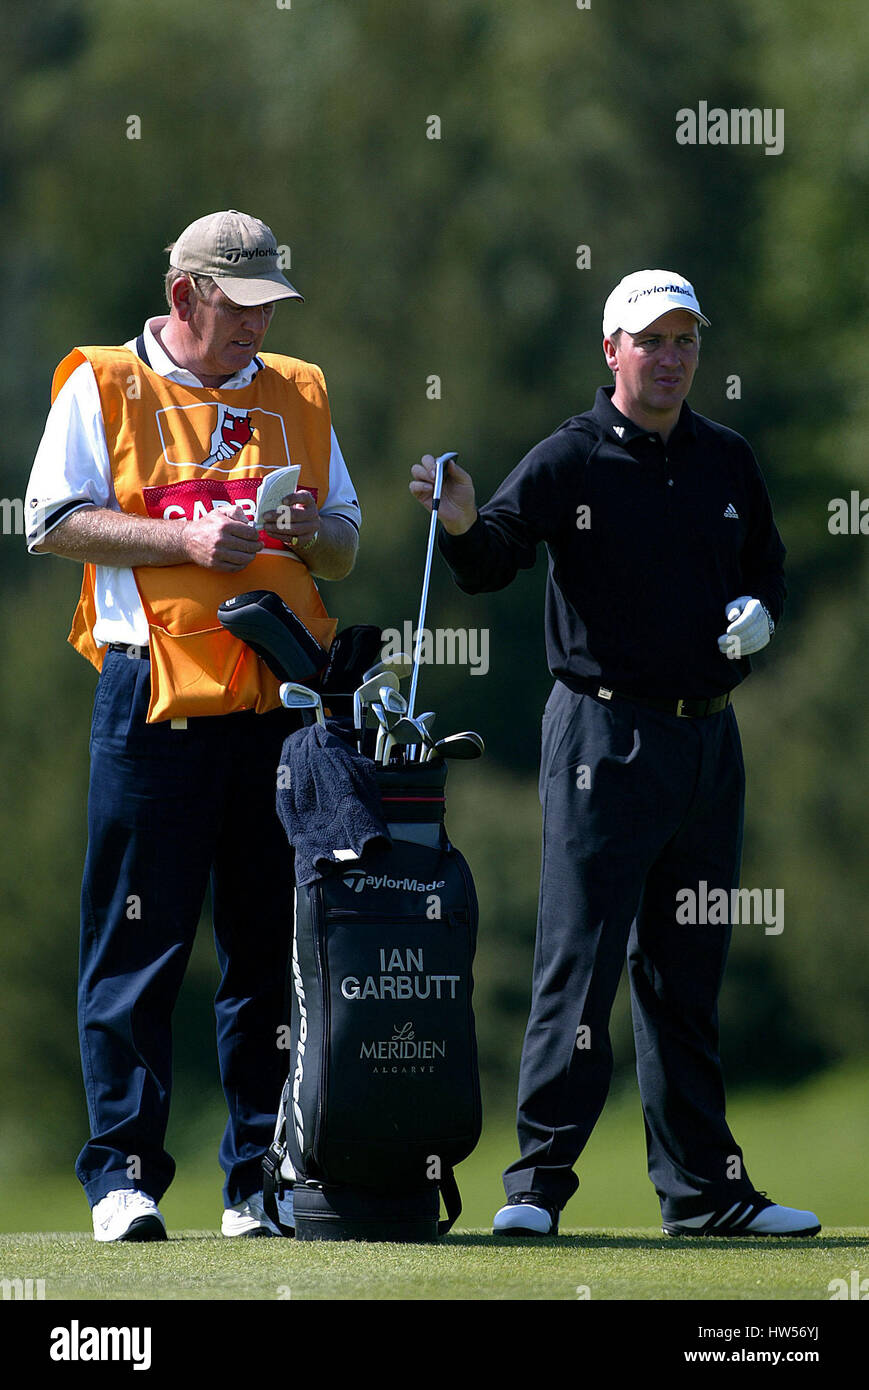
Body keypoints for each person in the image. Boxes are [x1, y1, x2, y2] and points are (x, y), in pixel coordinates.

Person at [410, 269, 820, 1238]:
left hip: (706, 740)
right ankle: (534, 1191)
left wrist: (763, 613)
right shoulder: (572, 457)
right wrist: (463, 523)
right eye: (652, 340)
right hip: (601, 735)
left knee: (685, 974)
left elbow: (767, 568)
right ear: (612, 351)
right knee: (578, 964)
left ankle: (705, 1196)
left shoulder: (725, 458)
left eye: (684, 341)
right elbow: (495, 554)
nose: (671, 357)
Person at [26, 209, 360, 1241]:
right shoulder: (104, 382)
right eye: (241, 306)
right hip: (152, 699)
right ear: (184, 297)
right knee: (138, 943)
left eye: (269, 307)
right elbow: (52, 520)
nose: (258, 327)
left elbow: (345, 542)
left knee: (266, 949)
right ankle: (123, 1174)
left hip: (275, 707)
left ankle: (254, 1181)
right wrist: (182, 534)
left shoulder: (296, 390)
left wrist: (311, 531)